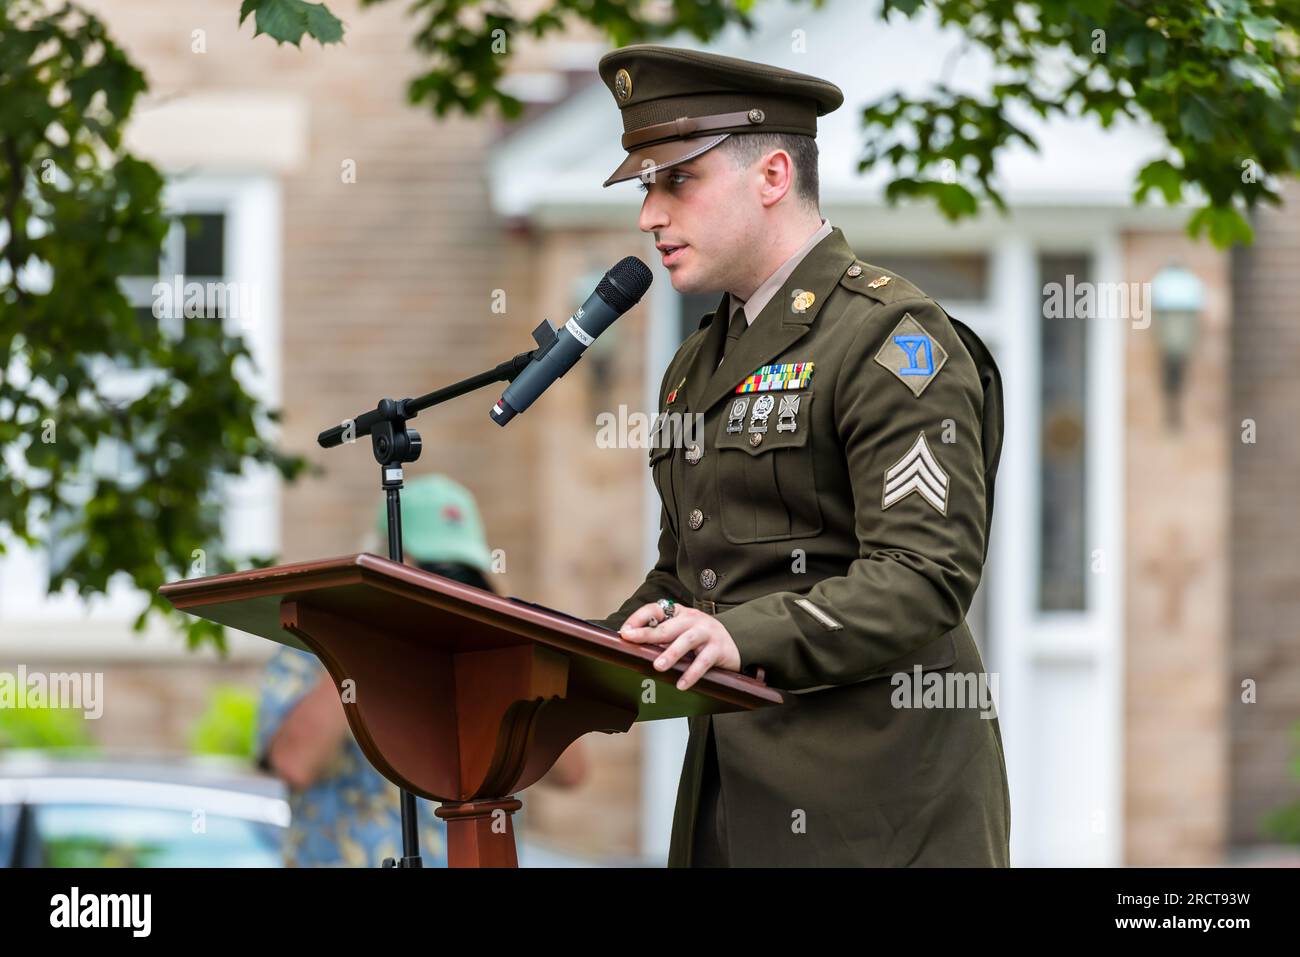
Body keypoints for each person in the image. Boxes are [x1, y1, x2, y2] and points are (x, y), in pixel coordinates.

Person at [588, 44, 1010, 866]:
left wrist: (736, 637)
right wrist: (574, 659)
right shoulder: (694, 366)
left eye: (677, 180)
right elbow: (690, 578)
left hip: (878, 814)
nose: (650, 215)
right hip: (731, 805)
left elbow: (924, 575)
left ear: (773, 175)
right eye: (646, 187)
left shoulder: (890, 337)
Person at [256, 474, 588, 866]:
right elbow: (295, 762)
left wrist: (506, 635)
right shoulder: (313, 640)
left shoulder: (483, 659)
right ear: (382, 566)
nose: (446, 590)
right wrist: (372, 630)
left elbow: (571, 772)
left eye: (463, 576)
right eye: (432, 572)